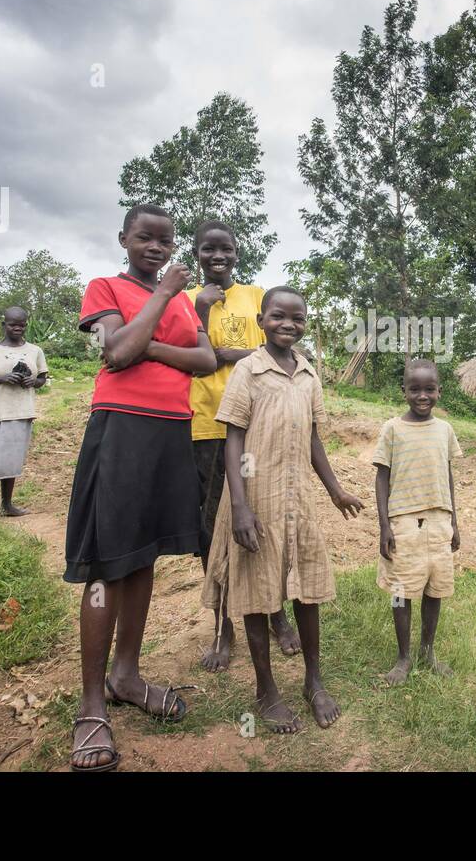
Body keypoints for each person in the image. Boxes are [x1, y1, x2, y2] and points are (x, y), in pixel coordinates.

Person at [65, 204, 217, 771]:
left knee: (145, 555)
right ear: (124, 239)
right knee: (108, 563)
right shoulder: (105, 287)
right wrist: (157, 305)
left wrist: (150, 341)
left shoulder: (181, 300)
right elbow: (117, 351)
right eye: (145, 237)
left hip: (170, 434)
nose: (157, 247)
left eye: (165, 240)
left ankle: (127, 675)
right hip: (121, 430)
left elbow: (203, 360)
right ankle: (91, 704)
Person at [200, 287, 364, 733]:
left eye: (297, 318)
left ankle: (314, 680)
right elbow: (232, 441)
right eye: (278, 316)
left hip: (300, 503)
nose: (288, 324)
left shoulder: (310, 374)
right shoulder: (248, 372)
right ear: (261, 320)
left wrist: (335, 491)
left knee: (308, 589)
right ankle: (266, 690)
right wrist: (239, 507)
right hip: (256, 500)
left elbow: (313, 439)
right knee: (256, 594)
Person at [186, 221, 301, 673]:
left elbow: (270, 348)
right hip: (204, 426)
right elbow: (185, 356)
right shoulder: (185, 299)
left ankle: (275, 613)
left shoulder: (257, 296)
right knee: (210, 529)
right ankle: (222, 626)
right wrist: (199, 311)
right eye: (208, 250)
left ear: (237, 253)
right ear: (197, 254)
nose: (218, 257)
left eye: (226, 249)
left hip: (260, 427)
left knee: (264, 520)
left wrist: (221, 354)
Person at [373, 358, 462, 687]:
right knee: (401, 590)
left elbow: (448, 475)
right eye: (415, 389)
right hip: (404, 524)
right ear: (404, 392)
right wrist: (384, 526)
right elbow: (381, 479)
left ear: (439, 391)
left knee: (434, 588)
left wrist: (455, 521)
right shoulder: (393, 429)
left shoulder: (445, 430)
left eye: (429, 389)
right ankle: (403, 656)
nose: (422, 396)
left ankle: (427, 650)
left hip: (440, 522)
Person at [0, 306, 47, 516]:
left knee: (11, 460)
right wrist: (3, 378)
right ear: (4, 324)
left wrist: (33, 381)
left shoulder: (35, 351)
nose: (18, 328)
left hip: (21, 411)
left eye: (22, 325)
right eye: (13, 324)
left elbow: (42, 378)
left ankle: (7, 505)